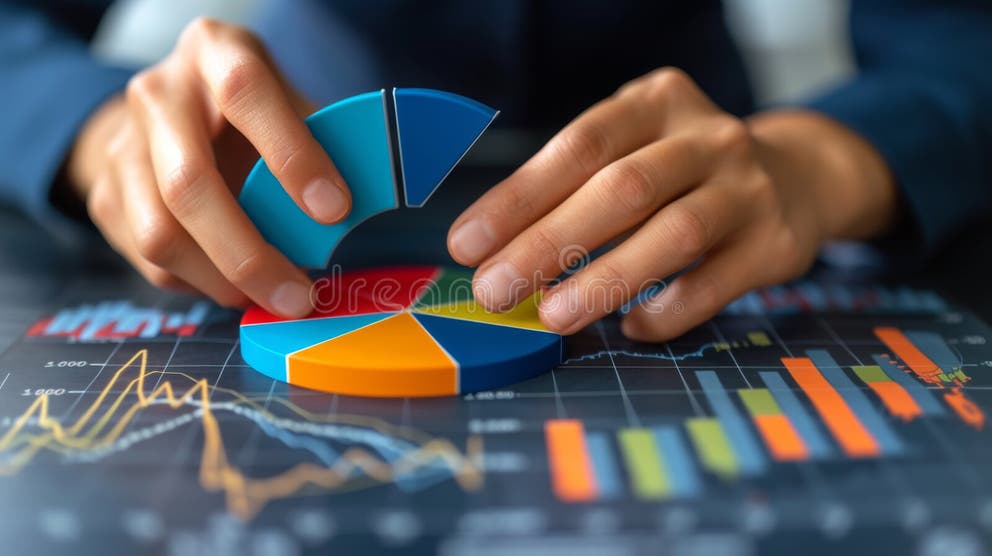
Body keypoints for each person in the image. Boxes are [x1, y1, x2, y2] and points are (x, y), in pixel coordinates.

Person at [0, 1, 989, 342]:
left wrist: (824, 159)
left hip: (689, 179)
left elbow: (960, 38)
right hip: (288, 163)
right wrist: (96, 131)